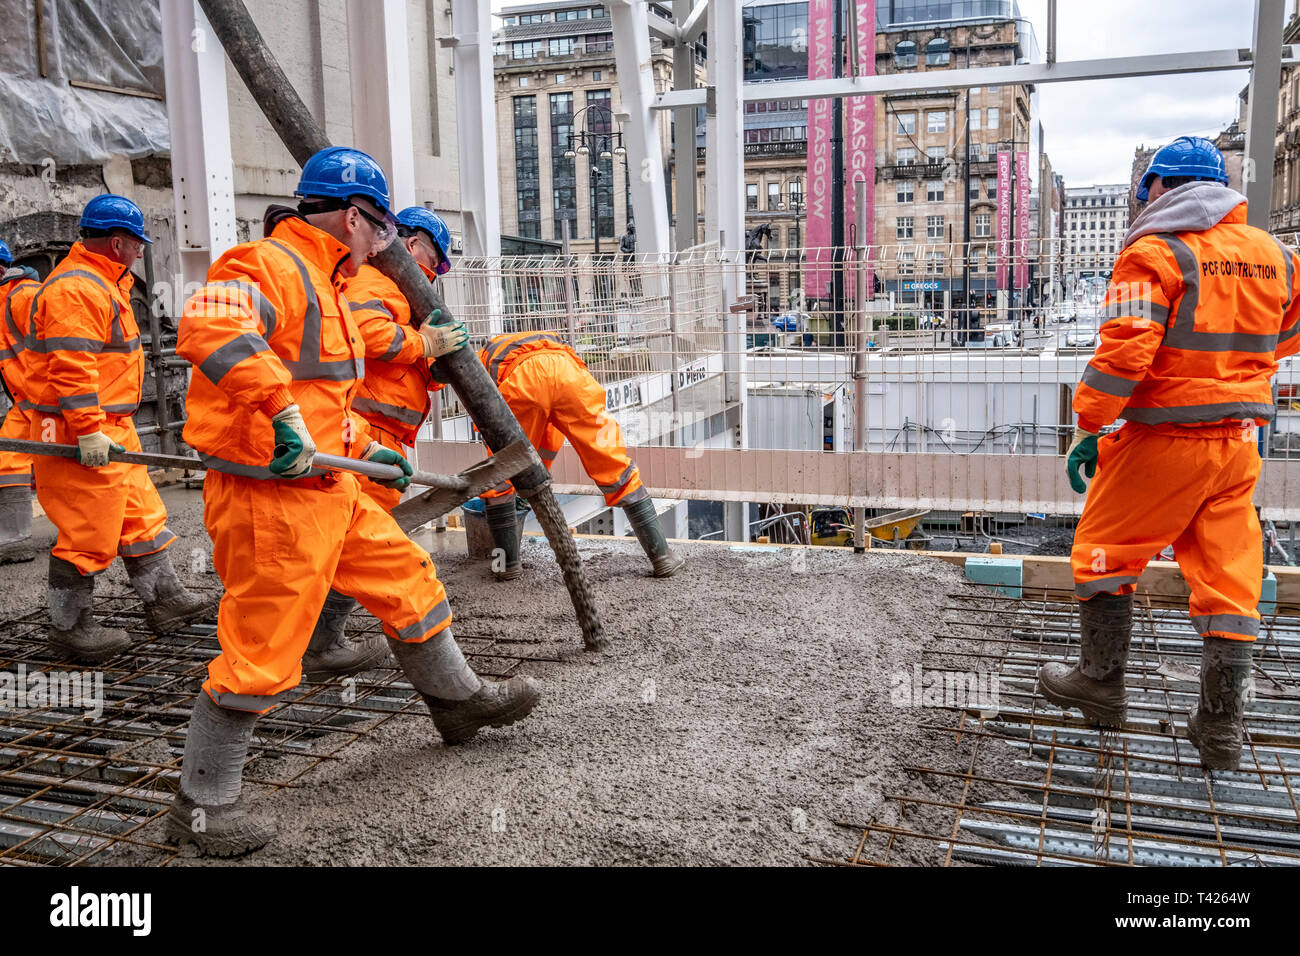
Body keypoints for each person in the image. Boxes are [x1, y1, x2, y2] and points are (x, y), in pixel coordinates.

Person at [172, 146, 538, 856]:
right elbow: (209, 325)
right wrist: (278, 414)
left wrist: (366, 446)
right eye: (383, 229)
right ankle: (203, 805)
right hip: (267, 495)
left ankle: (459, 703)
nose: (388, 245)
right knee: (262, 645)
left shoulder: (333, 286)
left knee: (407, 579)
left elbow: (327, 399)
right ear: (353, 216)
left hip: (327, 485)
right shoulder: (264, 265)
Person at [1041, 136, 1300, 771]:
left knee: (1103, 550)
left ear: (1158, 188)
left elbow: (1125, 351)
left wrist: (1088, 426)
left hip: (1164, 439)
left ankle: (1100, 685)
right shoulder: (1276, 255)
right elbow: (1286, 332)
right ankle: (1220, 729)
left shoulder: (1155, 254)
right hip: (1240, 444)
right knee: (1230, 579)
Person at [25, 197, 213, 662]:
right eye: (135, 244)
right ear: (117, 242)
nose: (137, 252)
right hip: (78, 430)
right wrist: (88, 429)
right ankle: (70, 628)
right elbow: (72, 365)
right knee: (87, 528)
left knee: (139, 516)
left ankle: (165, 600)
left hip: (110, 425)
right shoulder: (77, 288)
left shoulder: (101, 283)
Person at [303, 205, 458, 679]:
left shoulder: (395, 294)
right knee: (361, 545)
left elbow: (400, 360)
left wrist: (429, 355)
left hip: (373, 439)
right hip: (360, 435)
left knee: (350, 542)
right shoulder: (379, 284)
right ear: (411, 246)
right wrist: (423, 345)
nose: (435, 273)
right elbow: (372, 337)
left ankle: (319, 642)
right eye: (434, 259)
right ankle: (320, 645)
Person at [476, 331, 684, 580]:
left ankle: (506, 566)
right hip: (571, 377)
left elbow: (488, 416)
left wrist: (515, 482)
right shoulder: (550, 341)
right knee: (614, 464)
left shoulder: (482, 357)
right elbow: (548, 439)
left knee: (501, 473)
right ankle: (662, 556)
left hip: (522, 381)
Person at [0, 240, 40, 564]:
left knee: (85, 466)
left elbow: (55, 347)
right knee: (9, 461)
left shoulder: (23, 295)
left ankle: (127, 531)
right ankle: (13, 539)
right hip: (28, 403)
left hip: (48, 400)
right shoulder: (5, 298)